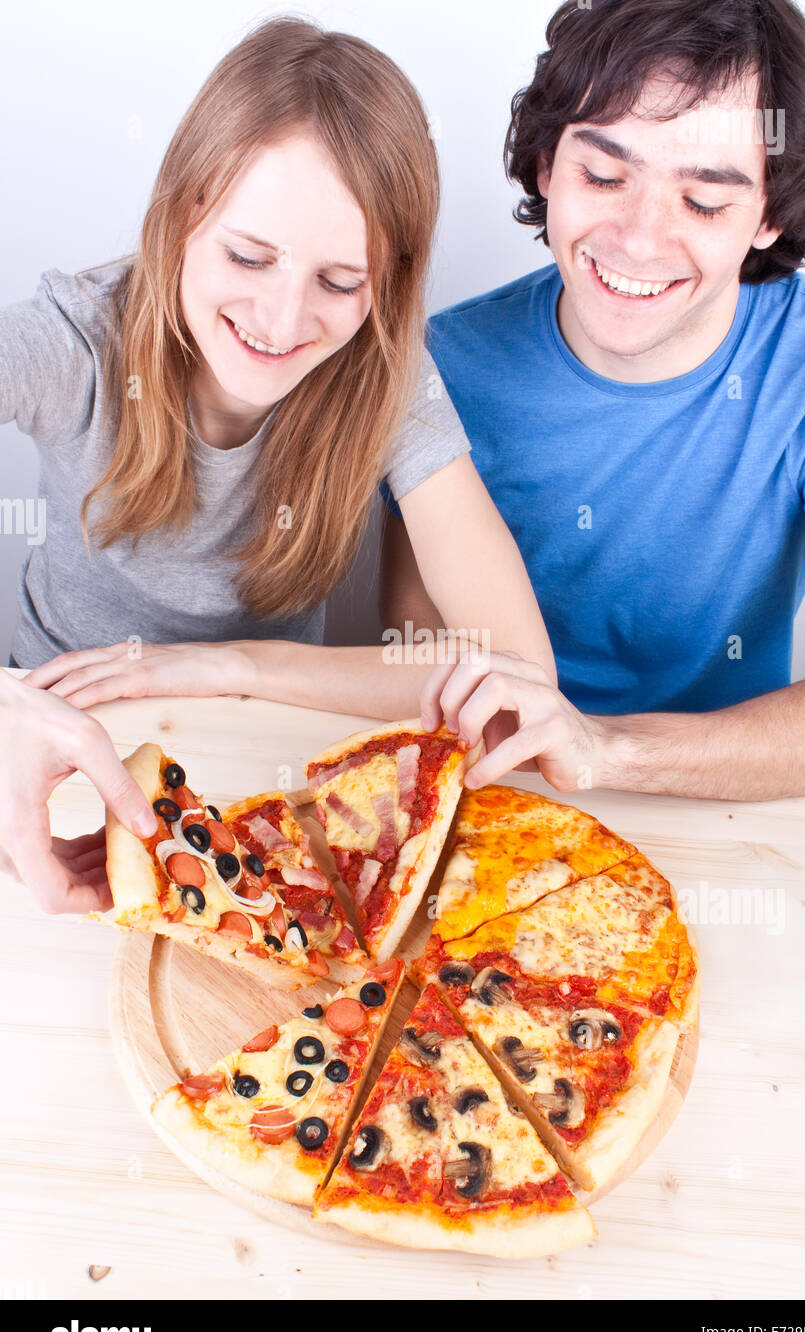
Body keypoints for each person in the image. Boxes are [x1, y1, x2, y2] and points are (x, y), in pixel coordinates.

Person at [0, 16, 554, 913]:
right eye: (248, 256)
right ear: (181, 218)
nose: (284, 317)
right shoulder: (72, 340)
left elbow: (516, 677)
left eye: (340, 282)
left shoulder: (386, 376)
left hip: (268, 776)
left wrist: (235, 666)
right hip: (53, 752)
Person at [386, 0, 805, 802]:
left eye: (705, 201)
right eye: (604, 175)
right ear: (546, 165)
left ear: (769, 214)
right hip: (500, 798)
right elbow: (416, 656)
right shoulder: (444, 366)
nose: (640, 239)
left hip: (736, 801)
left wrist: (607, 751)